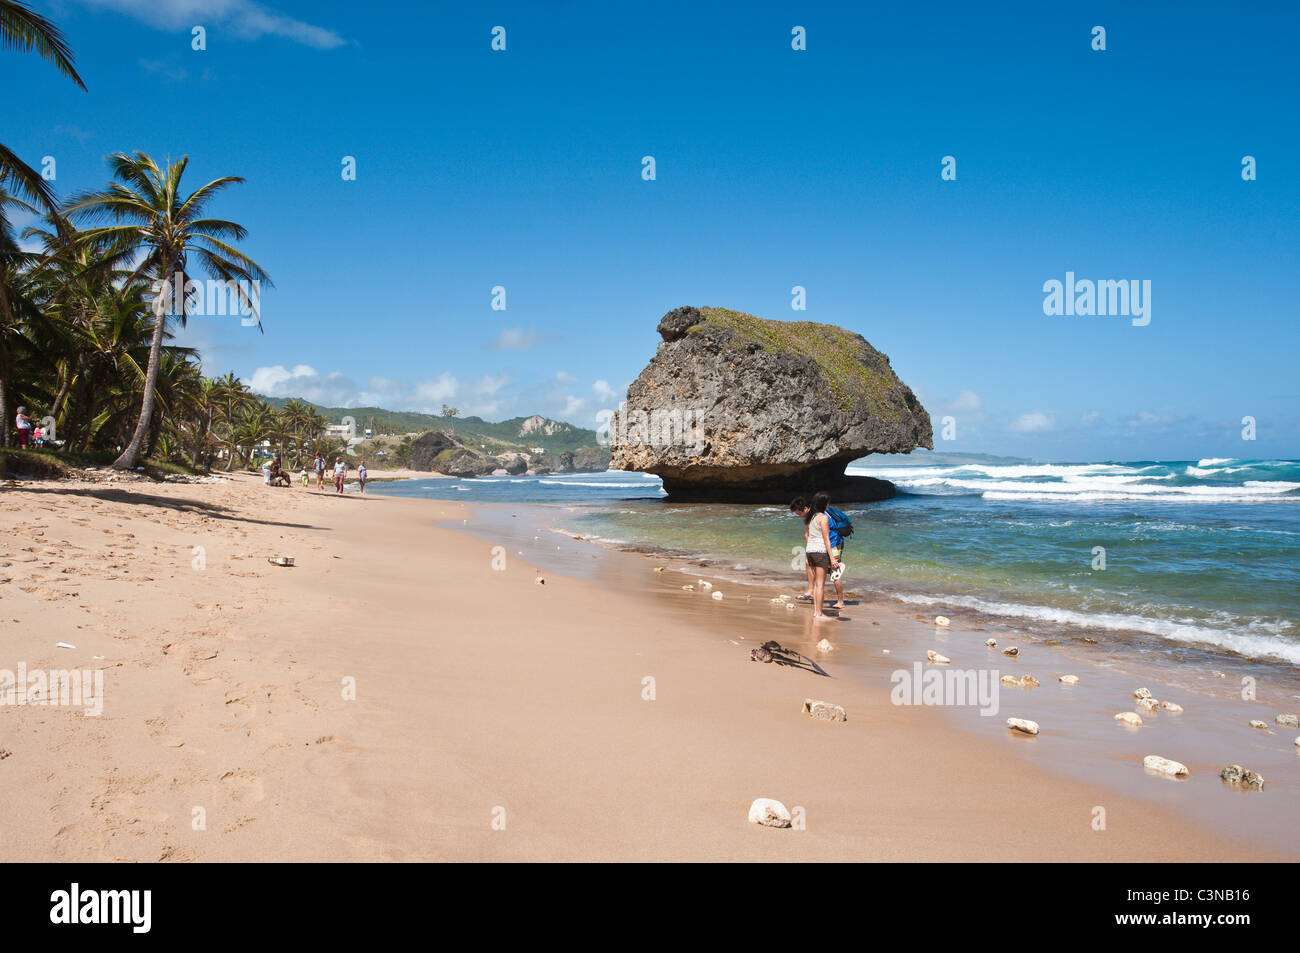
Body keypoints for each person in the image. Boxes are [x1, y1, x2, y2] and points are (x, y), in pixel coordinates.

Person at [793, 492, 839, 621]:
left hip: (810, 551)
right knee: (820, 585)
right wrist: (833, 559)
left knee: (817, 585)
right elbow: (826, 540)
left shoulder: (810, 517)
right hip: (820, 552)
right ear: (824, 504)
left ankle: (816, 612)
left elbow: (808, 536)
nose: (829, 505)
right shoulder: (822, 518)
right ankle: (818, 613)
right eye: (828, 503)